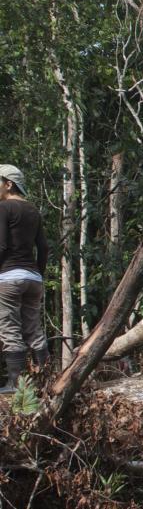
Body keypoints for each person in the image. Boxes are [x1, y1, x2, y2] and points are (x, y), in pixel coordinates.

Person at [0, 165, 48, 394]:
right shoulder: (33, 210)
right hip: (33, 278)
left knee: (10, 329)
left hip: (9, 277)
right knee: (33, 329)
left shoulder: (4, 208)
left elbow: (1, 246)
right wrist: (39, 274)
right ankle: (46, 379)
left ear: (8, 184)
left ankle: (15, 385)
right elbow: (44, 247)